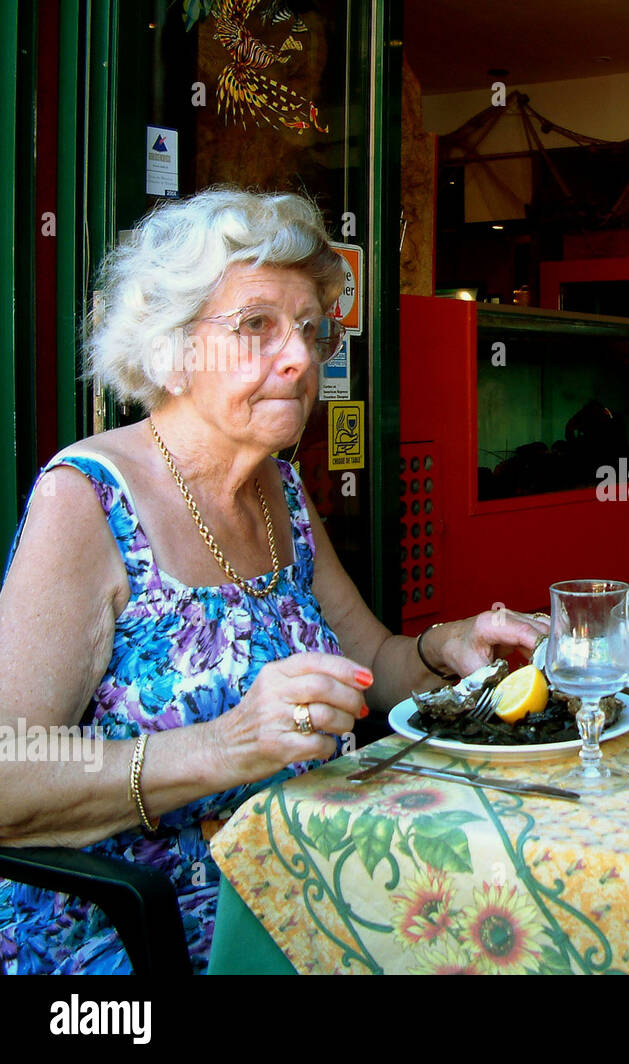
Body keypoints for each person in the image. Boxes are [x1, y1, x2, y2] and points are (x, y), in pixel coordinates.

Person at [0, 188, 546, 974]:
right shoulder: (87, 499)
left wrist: (441, 647)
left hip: (300, 887)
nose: (299, 358)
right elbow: (10, 778)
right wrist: (225, 746)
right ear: (173, 343)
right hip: (141, 938)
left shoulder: (278, 489)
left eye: (308, 329)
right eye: (256, 325)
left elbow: (371, 666)